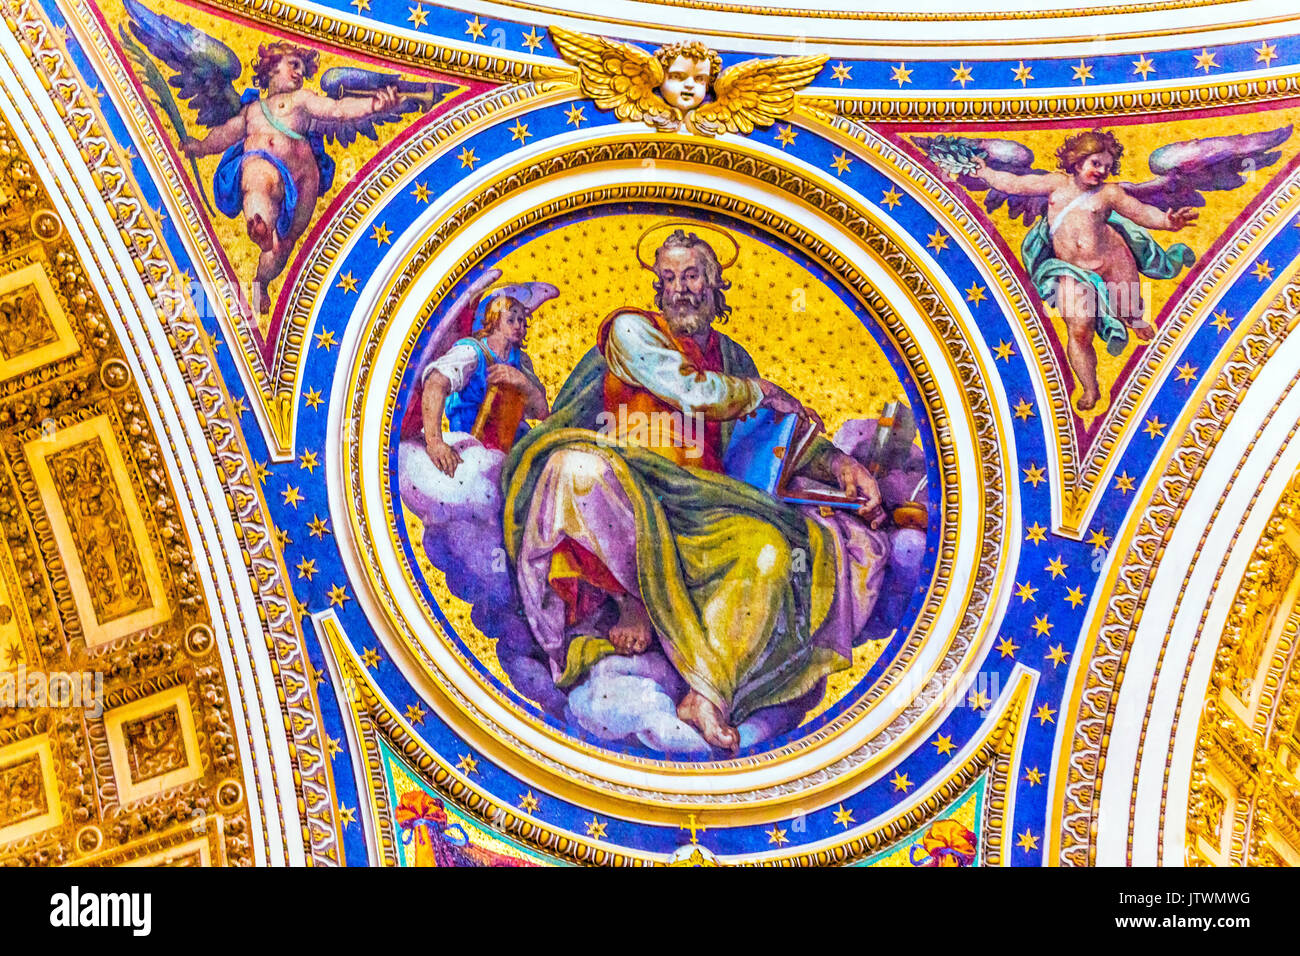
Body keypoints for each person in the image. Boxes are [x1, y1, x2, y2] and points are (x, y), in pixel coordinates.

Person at [501, 228, 890, 751]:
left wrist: (840, 463)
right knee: (574, 470)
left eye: (693, 276)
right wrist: (761, 392)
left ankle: (707, 692)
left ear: (715, 286)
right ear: (657, 289)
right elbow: (685, 387)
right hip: (629, 482)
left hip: (703, 500)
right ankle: (629, 599)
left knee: (770, 549)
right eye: (669, 279)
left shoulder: (731, 359)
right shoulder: (631, 330)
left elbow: (768, 437)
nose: (681, 289)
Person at [972, 130, 1198, 411]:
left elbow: (1140, 212)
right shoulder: (1055, 185)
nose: (1102, 171)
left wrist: (1167, 221)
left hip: (1112, 259)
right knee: (1079, 330)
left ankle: (1132, 320)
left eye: (1106, 166)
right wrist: (984, 173)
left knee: (1128, 306)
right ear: (1077, 162)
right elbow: (1015, 184)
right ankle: (1089, 388)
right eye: (1095, 163)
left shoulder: (1109, 193)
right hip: (1070, 271)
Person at [180, 42, 400, 311]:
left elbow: (338, 110)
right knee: (256, 180)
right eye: (293, 64)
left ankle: (262, 281)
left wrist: (373, 105)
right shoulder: (252, 110)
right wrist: (201, 147)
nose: (299, 73)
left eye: (303, 69)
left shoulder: (302, 99)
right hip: (264, 166)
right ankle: (259, 223)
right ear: (271, 66)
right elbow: (225, 134)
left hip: (304, 178)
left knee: (283, 247)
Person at [419, 285, 551, 476]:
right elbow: (435, 383)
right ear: (495, 320)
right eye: (511, 320)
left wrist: (523, 382)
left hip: (513, 443)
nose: (518, 326)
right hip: (473, 444)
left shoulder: (521, 361)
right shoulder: (472, 352)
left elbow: (541, 412)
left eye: (522, 321)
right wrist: (435, 443)